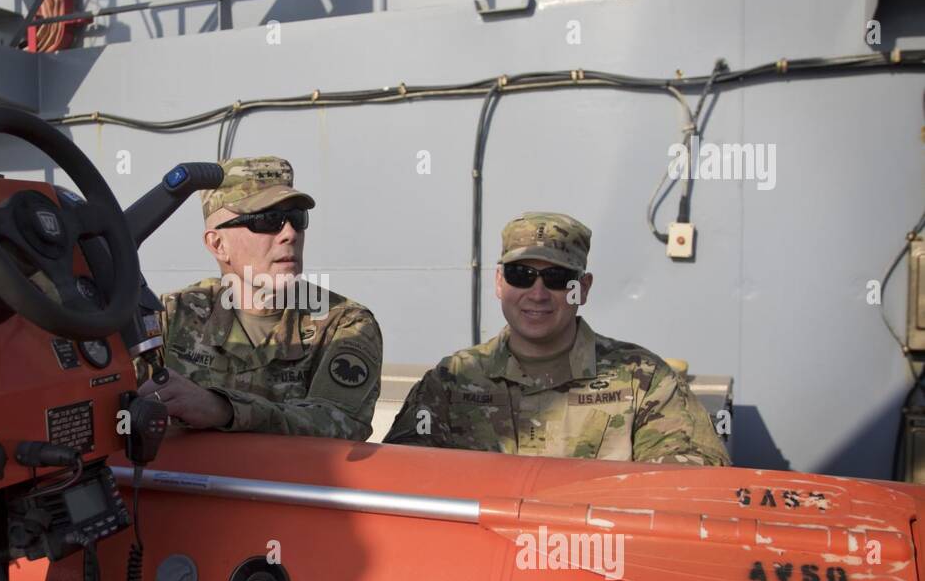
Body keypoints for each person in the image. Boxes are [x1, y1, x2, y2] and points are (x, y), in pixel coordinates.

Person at [384, 211, 730, 465]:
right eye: (521, 275)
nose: (537, 294)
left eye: (557, 278)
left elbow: (696, 473)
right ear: (499, 283)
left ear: (583, 288)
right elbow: (403, 470)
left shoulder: (643, 379)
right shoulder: (453, 380)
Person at [138, 156, 382, 440]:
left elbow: (338, 424)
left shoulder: (343, 324)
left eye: (296, 218)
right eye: (268, 221)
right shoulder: (172, 315)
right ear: (218, 244)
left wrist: (224, 409)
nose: (289, 233)